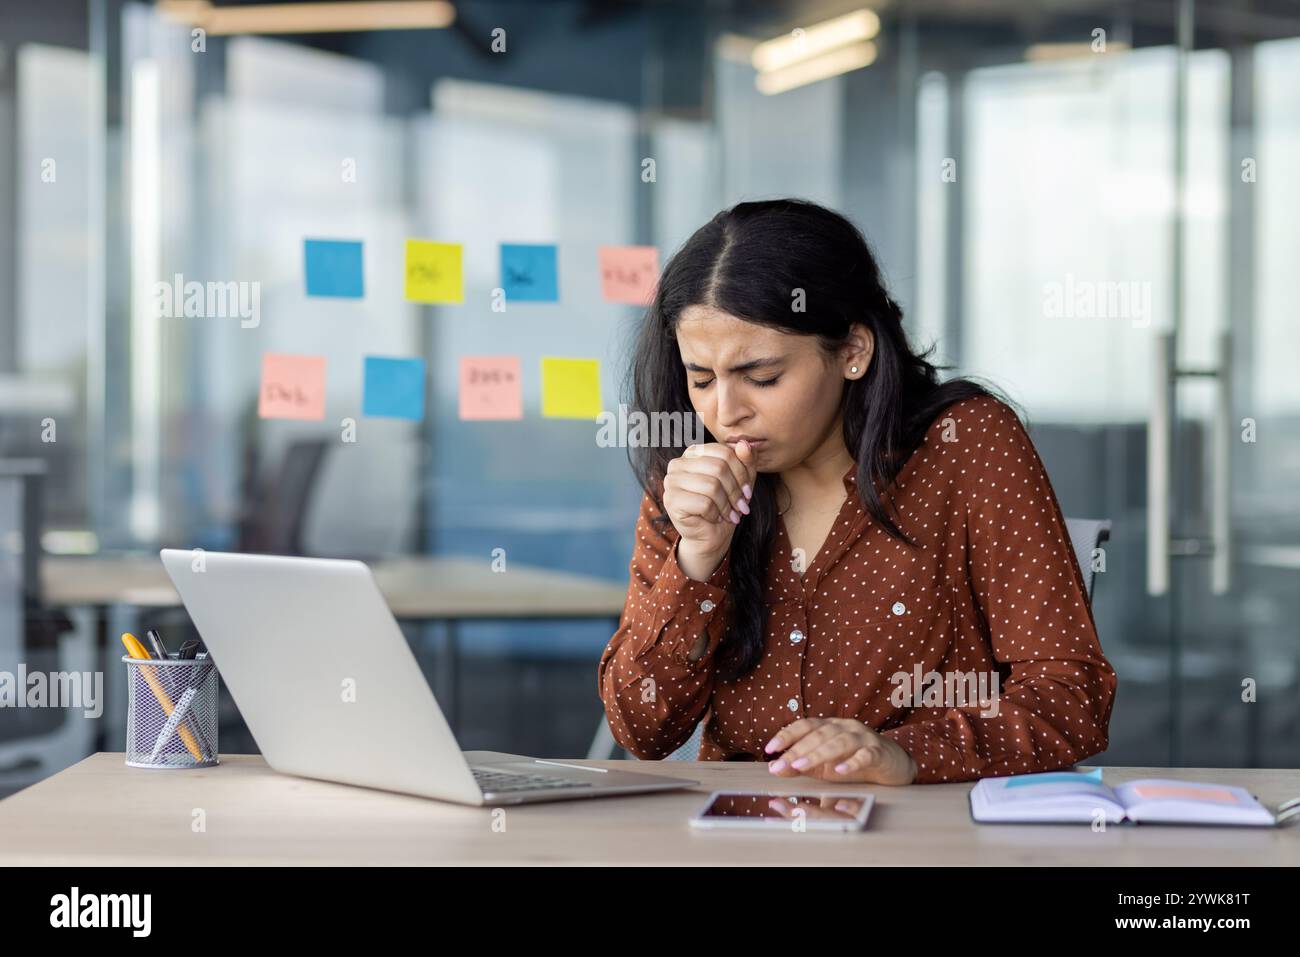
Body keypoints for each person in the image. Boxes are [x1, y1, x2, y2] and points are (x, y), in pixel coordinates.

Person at [598, 198, 1117, 785]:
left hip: (924, 825)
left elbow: (1072, 694)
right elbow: (642, 731)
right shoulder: (693, 478)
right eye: (701, 379)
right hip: (743, 825)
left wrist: (907, 752)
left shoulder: (966, 444)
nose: (726, 412)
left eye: (763, 377)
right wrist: (697, 558)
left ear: (852, 352)